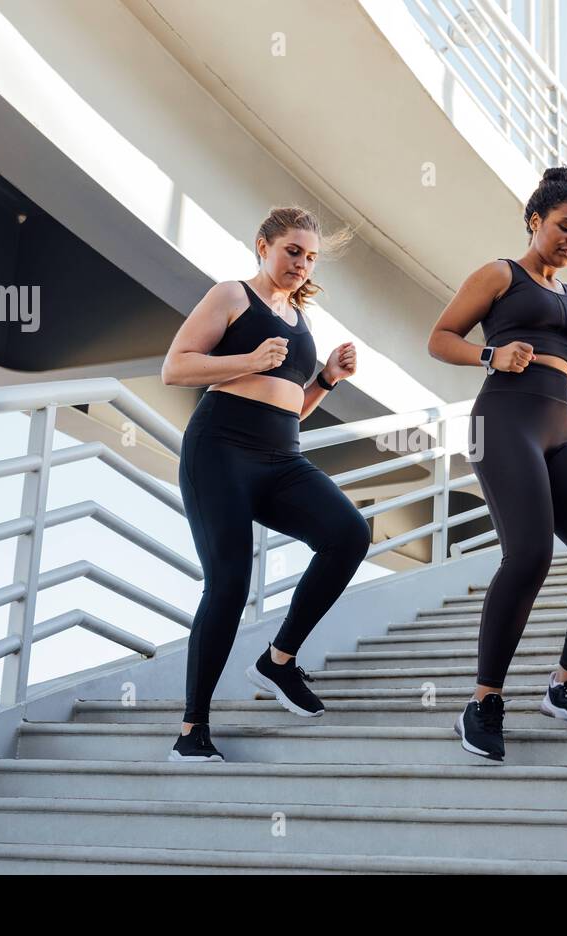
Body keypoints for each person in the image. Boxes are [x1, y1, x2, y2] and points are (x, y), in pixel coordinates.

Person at [426, 167, 567, 761]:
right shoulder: (500, 274)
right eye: (566, 226)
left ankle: (565, 686)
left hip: (560, 430)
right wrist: (490, 353)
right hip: (502, 423)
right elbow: (439, 337)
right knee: (531, 553)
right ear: (536, 220)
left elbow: (558, 374)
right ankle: (483, 703)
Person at [160, 206, 370, 762]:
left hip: (281, 455)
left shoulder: (301, 319)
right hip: (220, 452)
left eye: (311, 257)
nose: (302, 264)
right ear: (264, 246)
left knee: (349, 534)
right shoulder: (232, 296)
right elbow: (175, 367)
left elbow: (291, 408)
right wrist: (247, 358)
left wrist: (327, 378)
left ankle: (278, 659)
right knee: (229, 583)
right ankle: (191, 729)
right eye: (292, 252)